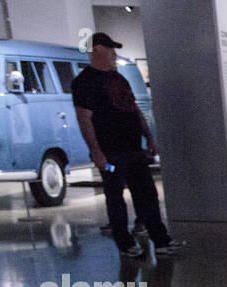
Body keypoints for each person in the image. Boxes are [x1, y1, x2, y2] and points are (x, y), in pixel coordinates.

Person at [72, 32, 184, 258]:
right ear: (96, 50)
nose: (114, 53)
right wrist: (96, 151)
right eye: (109, 48)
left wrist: (149, 137)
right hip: (110, 154)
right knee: (115, 197)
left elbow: (133, 109)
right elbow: (84, 118)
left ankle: (160, 240)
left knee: (147, 194)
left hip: (133, 150)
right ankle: (125, 244)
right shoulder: (84, 82)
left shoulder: (119, 79)